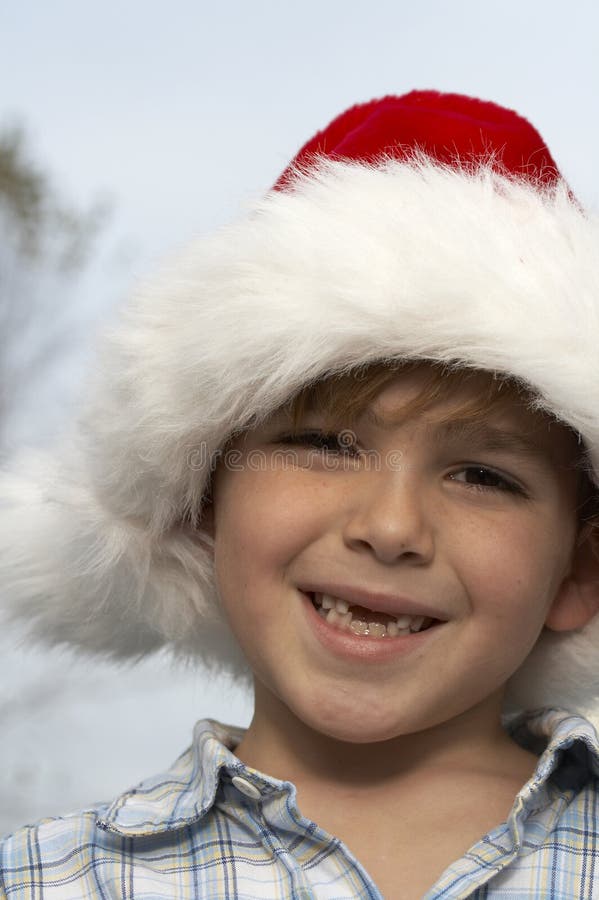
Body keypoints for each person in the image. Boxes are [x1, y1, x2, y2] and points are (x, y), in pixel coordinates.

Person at [1, 90, 599, 899]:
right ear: (199, 501)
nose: (390, 528)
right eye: (320, 445)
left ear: (578, 572)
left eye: (482, 476)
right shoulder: (45, 882)